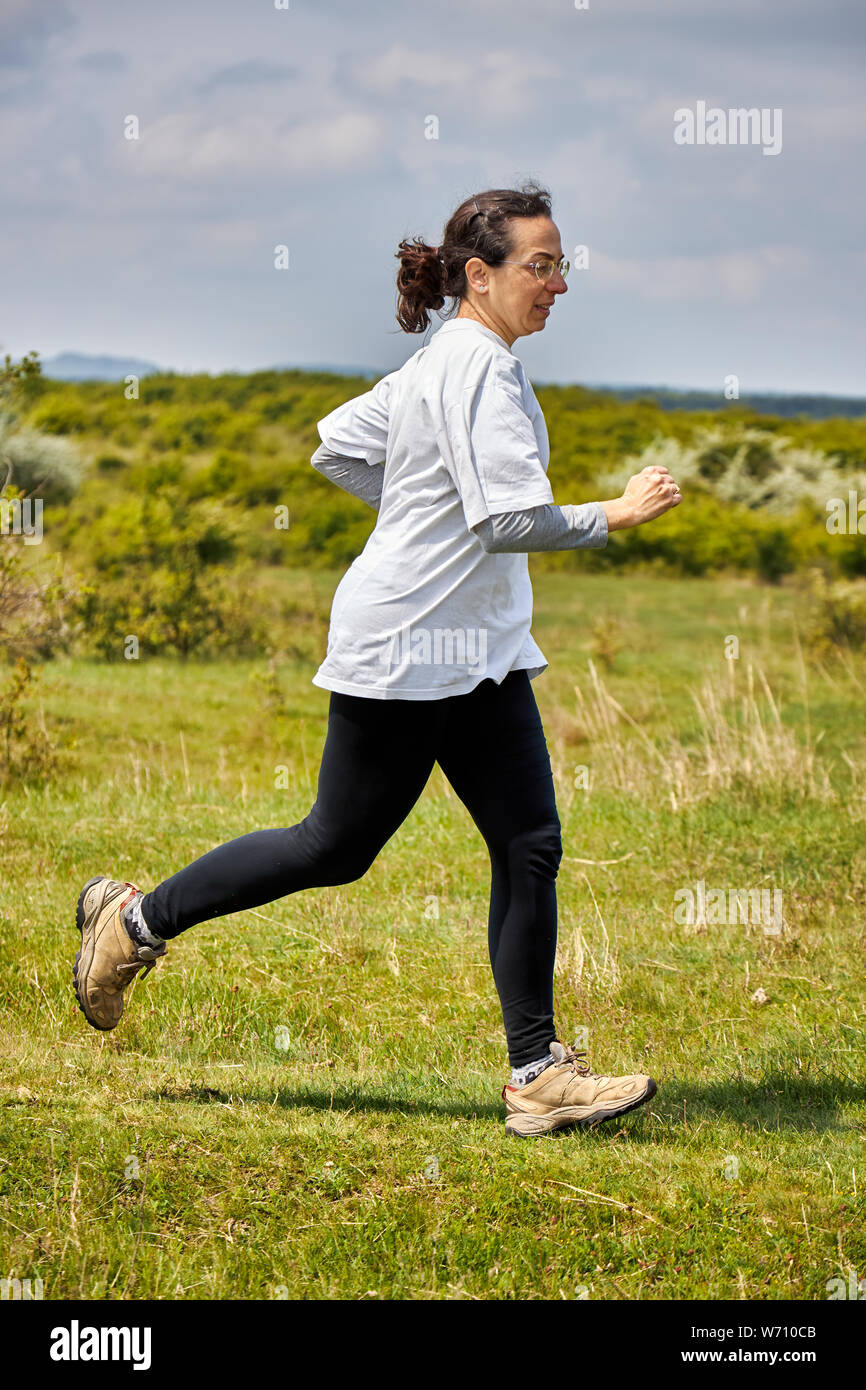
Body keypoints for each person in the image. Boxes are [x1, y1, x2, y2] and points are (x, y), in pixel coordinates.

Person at [73, 182, 681, 1138]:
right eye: (541, 265)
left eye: (563, 263)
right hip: (404, 648)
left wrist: (417, 511)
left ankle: (538, 1075)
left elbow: (336, 449)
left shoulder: (446, 357)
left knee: (528, 843)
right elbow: (505, 518)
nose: (560, 282)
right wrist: (616, 512)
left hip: (476, 653)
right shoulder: (475, 369)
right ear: (479, 275)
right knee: (335, 846)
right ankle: (134, 923)